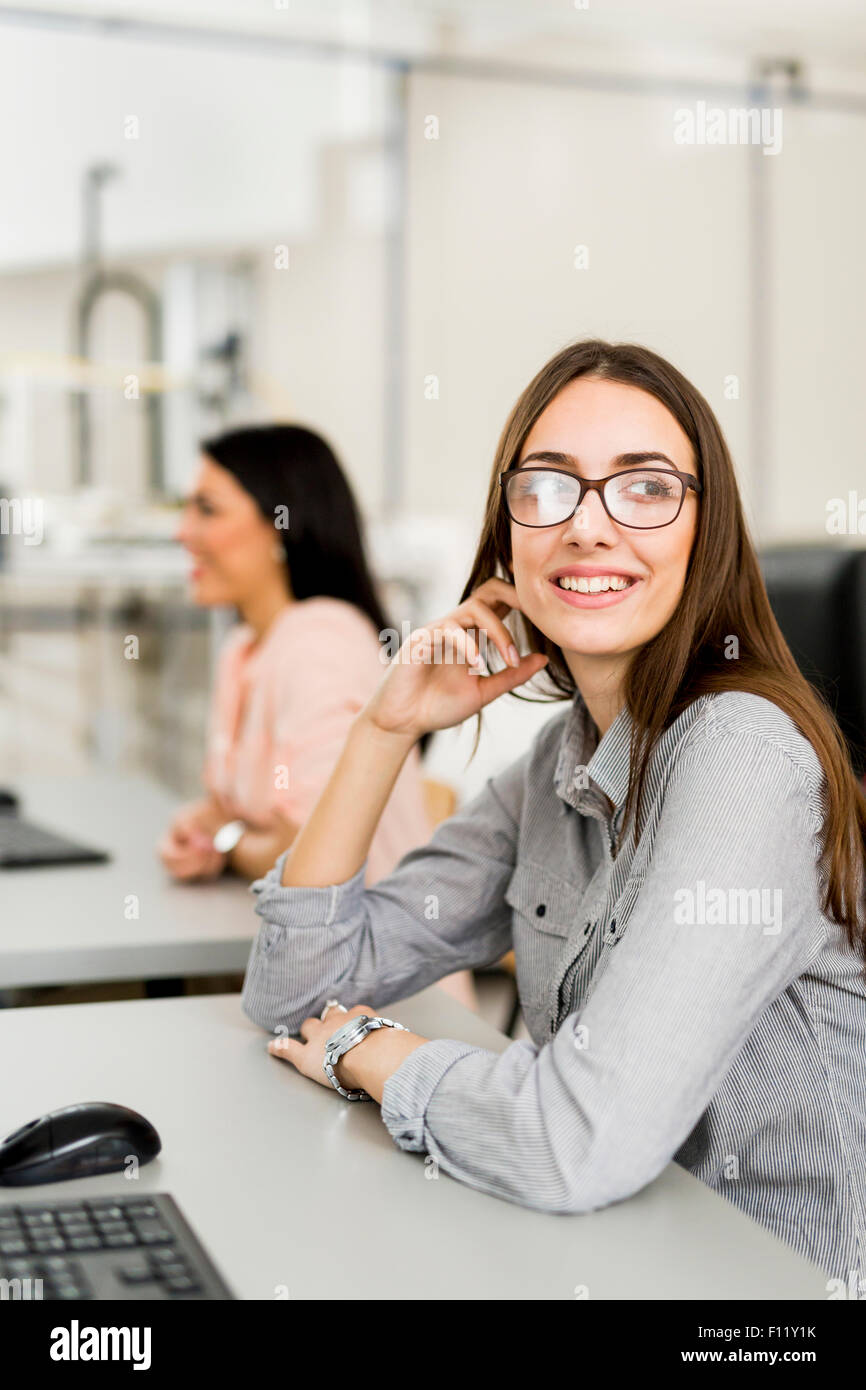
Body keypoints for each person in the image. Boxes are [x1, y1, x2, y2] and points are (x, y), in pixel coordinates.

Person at [241, 341, 866, 1281]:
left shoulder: (742, 753)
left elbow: (579, 1141)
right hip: (610, 1254)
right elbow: (294, 990)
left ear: (709, 532)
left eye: (646, 488)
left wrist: (374, 1052)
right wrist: (382, 729)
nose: (588, 526)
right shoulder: (560, 764)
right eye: (549, 486)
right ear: (508, 531)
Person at [158, 423, 479, 1011]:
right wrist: (199, 824)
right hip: (311, 982)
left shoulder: (321, 641)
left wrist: (224, 845)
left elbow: (301, 849)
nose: (185, 533)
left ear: (282, 523)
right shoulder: (246, 645)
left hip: (388, 1003)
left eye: (208, 510)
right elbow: (238, 804)